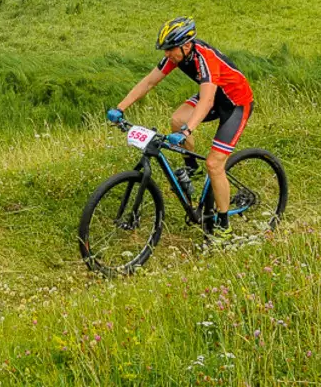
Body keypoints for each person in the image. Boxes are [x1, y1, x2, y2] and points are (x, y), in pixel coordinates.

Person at [106, 17, 254, 244]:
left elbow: (206, 102)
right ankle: (191, 168)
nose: (167, 55)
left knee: (214, 164)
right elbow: (148, 82)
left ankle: (223, 226)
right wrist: (120, 108)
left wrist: (187, 132)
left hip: (236, 104)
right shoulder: (177, 55)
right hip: (215, 98)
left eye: (170, 50)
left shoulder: (206, 59)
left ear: (186, 46)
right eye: (165, 50)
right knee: (177, 119)